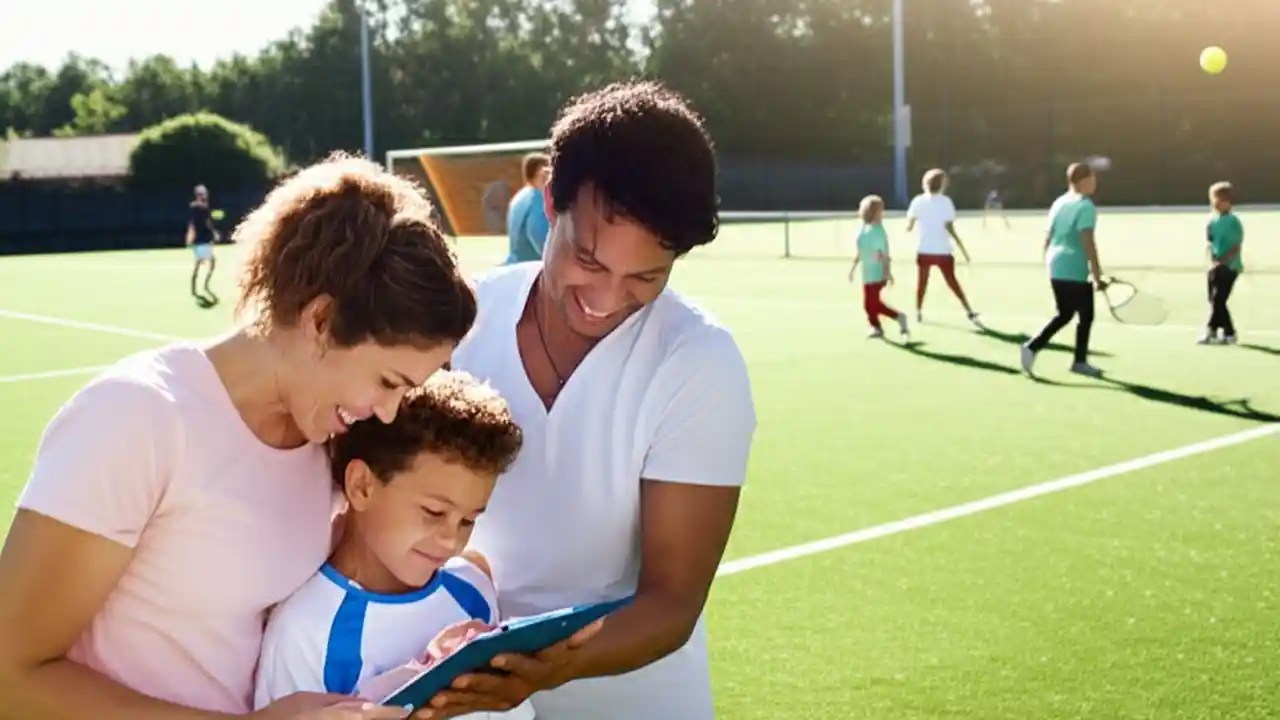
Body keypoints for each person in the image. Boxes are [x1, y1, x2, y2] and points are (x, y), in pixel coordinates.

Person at [0, 153, 480, 720]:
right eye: (387, 381)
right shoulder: (137, 418)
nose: (390, 411)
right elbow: (13, 678)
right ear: (320, 320)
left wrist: (424, 664)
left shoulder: (325, 434)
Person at [425, 81, 756, 720]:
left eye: (645, 278)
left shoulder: (700, 363)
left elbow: (671, 604)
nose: (606, 300)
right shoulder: (455, 319)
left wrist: (551, 663)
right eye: (588, 260)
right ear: (550, 201)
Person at [255, 371, 535, 720]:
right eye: (434, 512)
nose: (452, 540)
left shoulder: (473, 589)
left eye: (468, 520)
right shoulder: (305, 633)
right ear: (362, 487)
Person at [1021, 162, 1106, 378]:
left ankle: (1032, 347)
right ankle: (1079, 362)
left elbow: (1048, 237)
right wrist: (1097, 275)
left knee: (1065, 314)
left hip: (1056, 264)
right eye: (1092, 178)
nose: (1095, 182)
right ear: (1083, 181)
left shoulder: (1059, 203)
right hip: (1074, 267)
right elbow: (1088, 242)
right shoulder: (1085, 206)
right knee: (1086, 315)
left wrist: (1047, 260)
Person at [906, 169, 978, 324]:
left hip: (924, 249)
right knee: (952, 282)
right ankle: (969, 311)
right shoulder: (946, 202)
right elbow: (950, 228)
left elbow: (909, 225)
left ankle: (918, 311)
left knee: (922, 282)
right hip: (943, 250)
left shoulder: (918, 201)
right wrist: (961, 247)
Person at [848, 194, 908, 339]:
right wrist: (853, 269)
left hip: (878, 272)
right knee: (871, 304)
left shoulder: (879, 231)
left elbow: (884, 254)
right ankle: (890, 320)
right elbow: (860, 251)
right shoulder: (863, 230)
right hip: (867, 273)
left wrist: (887, 272)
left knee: (870, 303)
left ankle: (879, 325)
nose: (882, 213)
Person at [1200, 181, 1244, 345]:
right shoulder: (1212, 221)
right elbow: (1210, 243)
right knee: (1214, 300)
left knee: (1219, 300)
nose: (1215, 203)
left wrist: (1222, 262)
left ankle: (1213, 331)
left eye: (1219, 199)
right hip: (1214, 266)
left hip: (1230, 267)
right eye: (1214, 199)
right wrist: (1211, 261)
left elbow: (1235, 246)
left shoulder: (1233, 221)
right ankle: (1227, 333)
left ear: (1228, 201)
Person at [503, 153, 551, 265]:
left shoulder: (521, 196)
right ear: (541, 172)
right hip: (531, 270)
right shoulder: (539, 200)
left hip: (516, 266)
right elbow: (541, 240)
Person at [187, 184, 220, 305]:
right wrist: (214, 233)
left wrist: (189, 237)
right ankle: (203, 285)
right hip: (204, 241)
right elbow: (207, 223)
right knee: (208, 263)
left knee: (200, 264)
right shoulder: (203, 209)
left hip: (199, 241)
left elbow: (192, 224)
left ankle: (195, 288)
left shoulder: (193, 207)